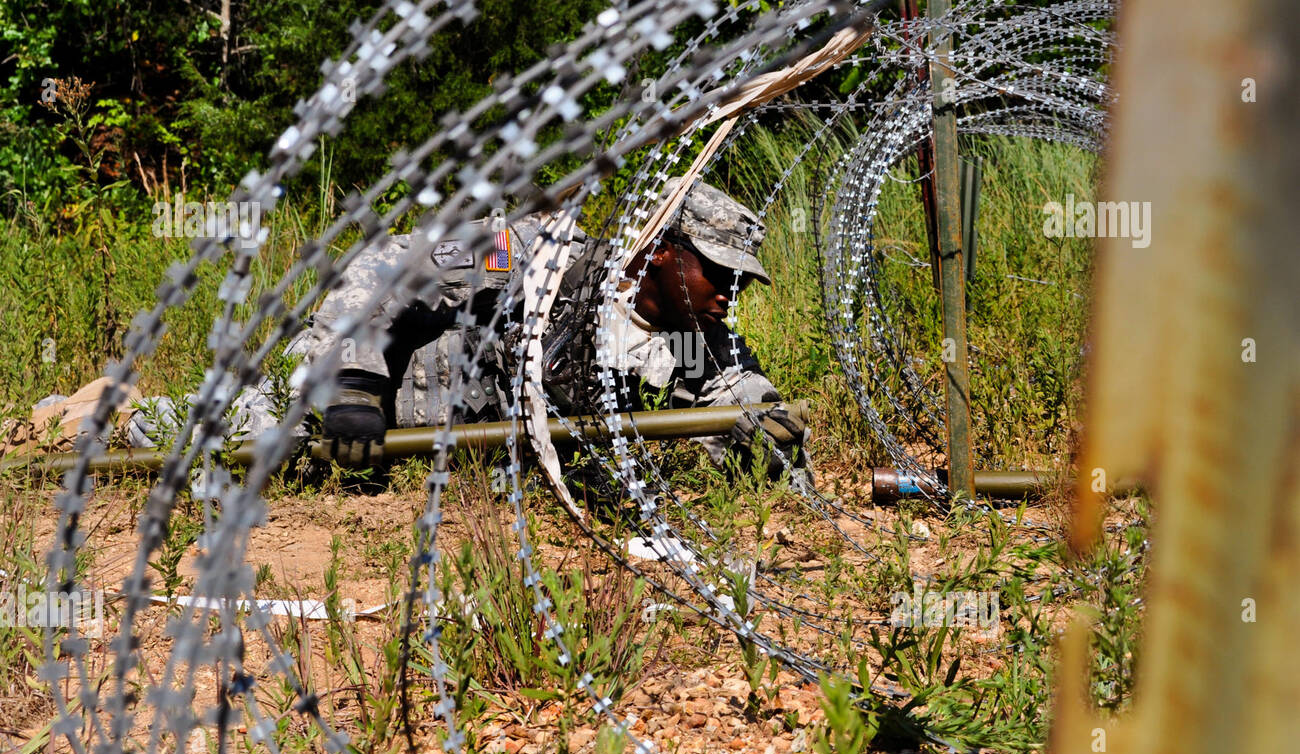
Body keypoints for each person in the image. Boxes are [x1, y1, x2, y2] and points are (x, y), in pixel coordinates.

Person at [128, 178, 809, 479]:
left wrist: (765, 429)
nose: (729, 292)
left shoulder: (699, 341)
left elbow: (742, 394)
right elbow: (387, 263)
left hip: (446, 456)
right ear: (662, 250)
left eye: (740, 279)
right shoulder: (537, 252)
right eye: (716, 272)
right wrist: (355, 388)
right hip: (364, 402)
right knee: (192, 438)